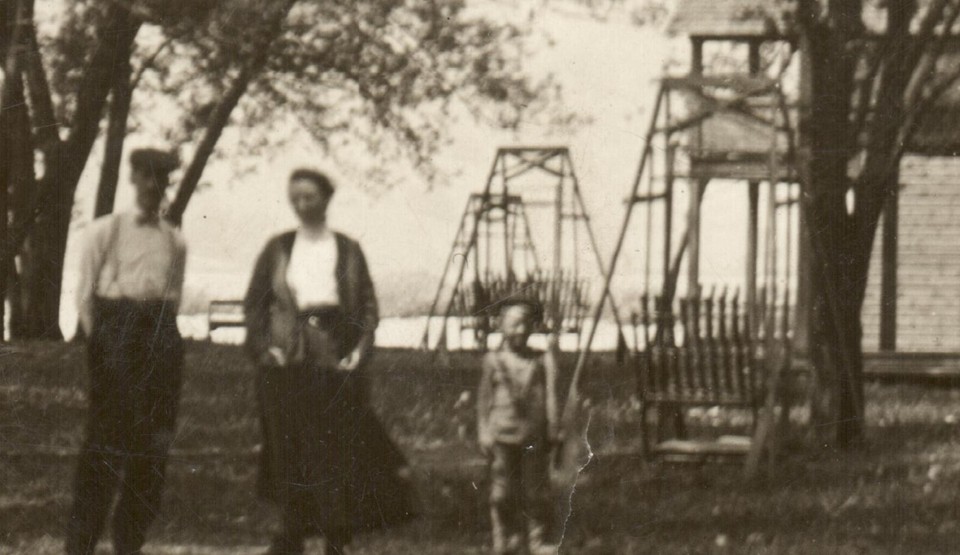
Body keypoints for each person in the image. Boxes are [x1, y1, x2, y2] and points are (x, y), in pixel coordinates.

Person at [243, 168, 416, 555]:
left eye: (309, 197)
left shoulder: (348, 249)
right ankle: (292, 533)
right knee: (289, 447)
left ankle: (337, 536)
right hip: (288, 359)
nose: (302, 205)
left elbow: (368, 307)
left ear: (326, 199)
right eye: (295, 199)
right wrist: (263, 347)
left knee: (337, 447)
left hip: (335, 353)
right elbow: (255, 304)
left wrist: (360, 349)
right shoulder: (278, 248)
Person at [65, 148, 186, 555]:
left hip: (160, 344)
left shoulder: (175, 240)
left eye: (161, 179)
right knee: (103, 450)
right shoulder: (104, 231)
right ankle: (80, 544)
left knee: (152, 452)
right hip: (114, 343)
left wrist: (164, 353)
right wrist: (104, 349)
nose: (153, 186)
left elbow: (171, 302)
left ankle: (129, 543)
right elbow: (84, 298)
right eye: (145, 177)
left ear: (167, 184)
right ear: (132, 179)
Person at [477, 301, 561, 555]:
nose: (520, 330)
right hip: (502, 435)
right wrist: (483, 431)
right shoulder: (493, 360)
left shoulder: (540, 360)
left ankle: (539, 541)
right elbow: (484, 401)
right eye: (513, 324)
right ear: (501, 326)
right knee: (502, 492)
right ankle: (505, 538)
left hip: (533, 437)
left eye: (525, 324)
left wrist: (553, 430)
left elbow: (552, 396)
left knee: (536, 492)